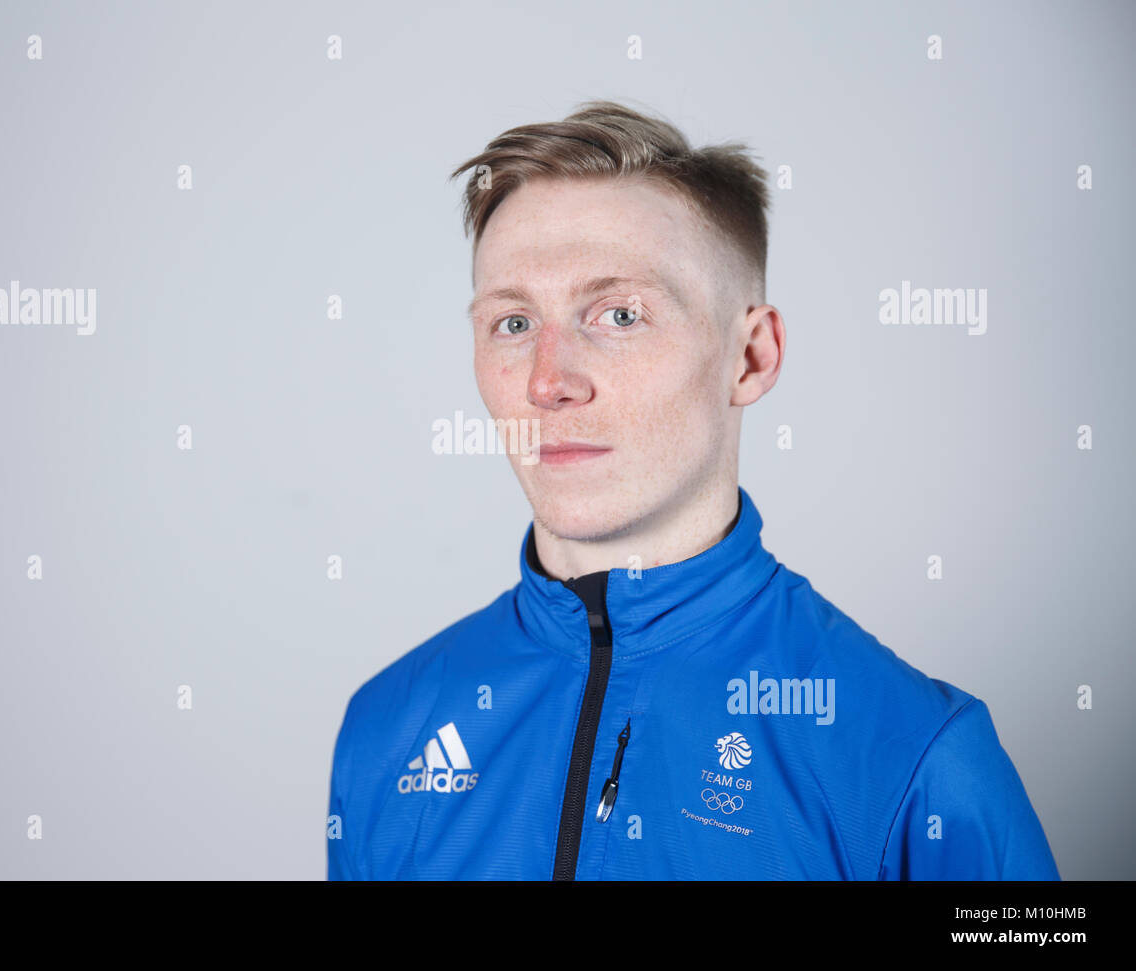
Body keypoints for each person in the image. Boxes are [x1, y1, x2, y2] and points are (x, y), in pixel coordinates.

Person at [326, 100, 1059, 880]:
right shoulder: (387, 726)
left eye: (617, 313)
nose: (548, 382)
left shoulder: (916, 755)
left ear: (750, 356)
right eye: (513, 323)